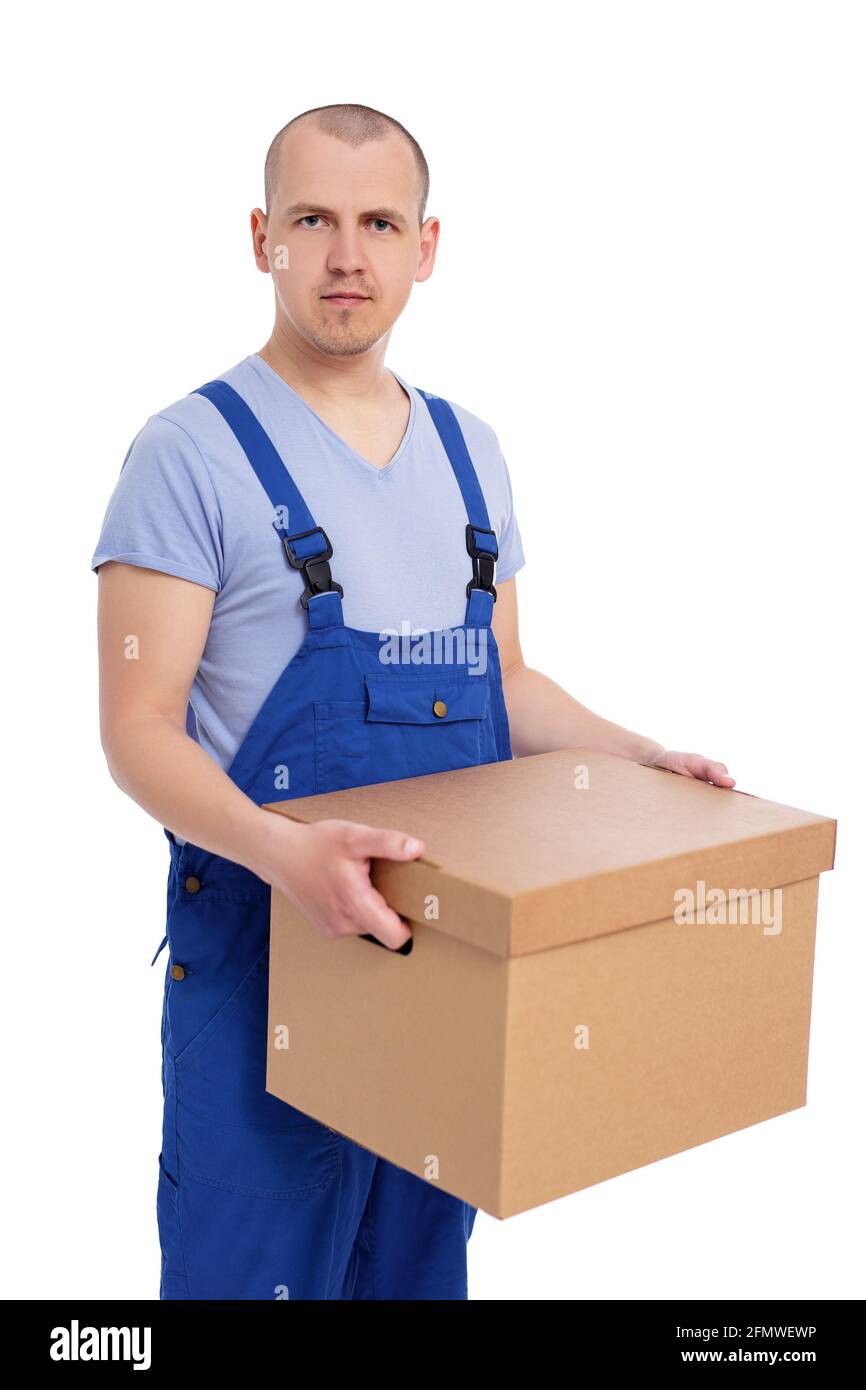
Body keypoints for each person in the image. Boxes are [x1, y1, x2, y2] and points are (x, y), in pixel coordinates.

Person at [92, 102, 735, 1301]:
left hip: (440, 974)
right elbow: (136, 732)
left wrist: (640, 754)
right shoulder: (188, 452)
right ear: (261, 238)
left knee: (416, 1275)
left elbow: (502, 677)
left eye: (379, 222)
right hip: (262, 973)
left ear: (424, 247)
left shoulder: (468, 449)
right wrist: (291, 855)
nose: (348, 256)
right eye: (313, 220)